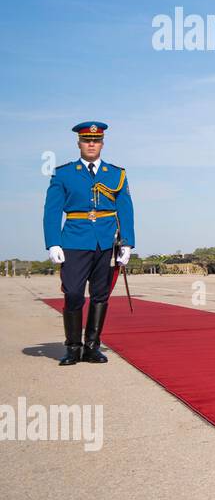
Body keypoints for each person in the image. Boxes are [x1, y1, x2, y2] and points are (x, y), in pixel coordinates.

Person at [43, 121, 135, 365]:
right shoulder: (63, 173)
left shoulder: (116, 174)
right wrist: (53, 243)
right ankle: (72, 347)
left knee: (100, 295)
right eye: (86, 140)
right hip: (74, 240)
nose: (91, 144)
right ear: (79, 143)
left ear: (102, 144)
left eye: (95, 140)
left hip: (105, 242)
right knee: (73, 292)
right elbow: (51, 211)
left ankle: (92, 347)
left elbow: (125, 209)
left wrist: (127, 243)